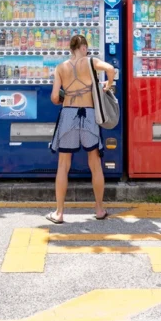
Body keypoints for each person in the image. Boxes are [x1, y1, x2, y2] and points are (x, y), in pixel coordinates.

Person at [46, 34, 115, 224]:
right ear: (83, 47)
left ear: (71, 48)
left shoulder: (61, 67)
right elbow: (110, 69)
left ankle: (59, 213)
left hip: (68, 114)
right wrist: (107, 86)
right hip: (90, 116)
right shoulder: (90, 62)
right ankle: (99, 209)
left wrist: (64, 96)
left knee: (63, 165)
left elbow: (54, 98)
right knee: (94, 164)